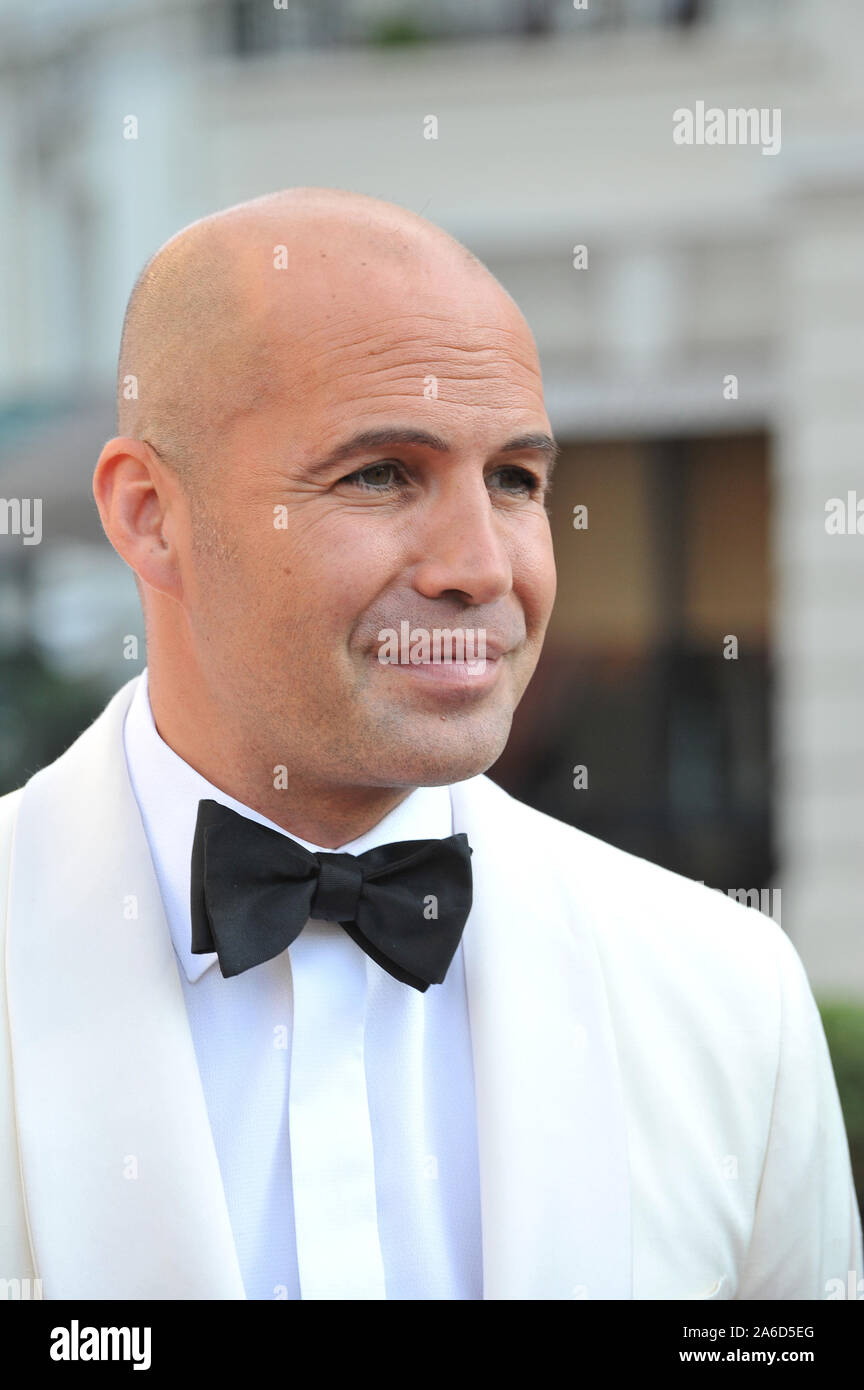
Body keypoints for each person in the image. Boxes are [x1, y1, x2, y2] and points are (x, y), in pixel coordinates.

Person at [0, 188, 860, 1301]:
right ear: (150, 513)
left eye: (515, 480)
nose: (483, 566)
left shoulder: (732, 996)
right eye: (381, 473)